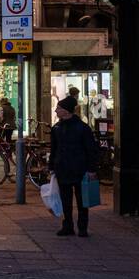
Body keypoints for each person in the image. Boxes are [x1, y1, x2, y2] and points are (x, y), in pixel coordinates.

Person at [49, 95, 99, 237]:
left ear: (66, 111)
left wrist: (91, 169)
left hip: (79, 168)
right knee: (66, 200)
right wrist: (52, 167)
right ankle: (69, 225)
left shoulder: (82, 128)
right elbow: (54, 149)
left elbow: (90, 149)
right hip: (64, 168)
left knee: (81, 199)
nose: (56, 111)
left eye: (58, 108)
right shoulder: (57, 128)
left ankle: (81, 227)